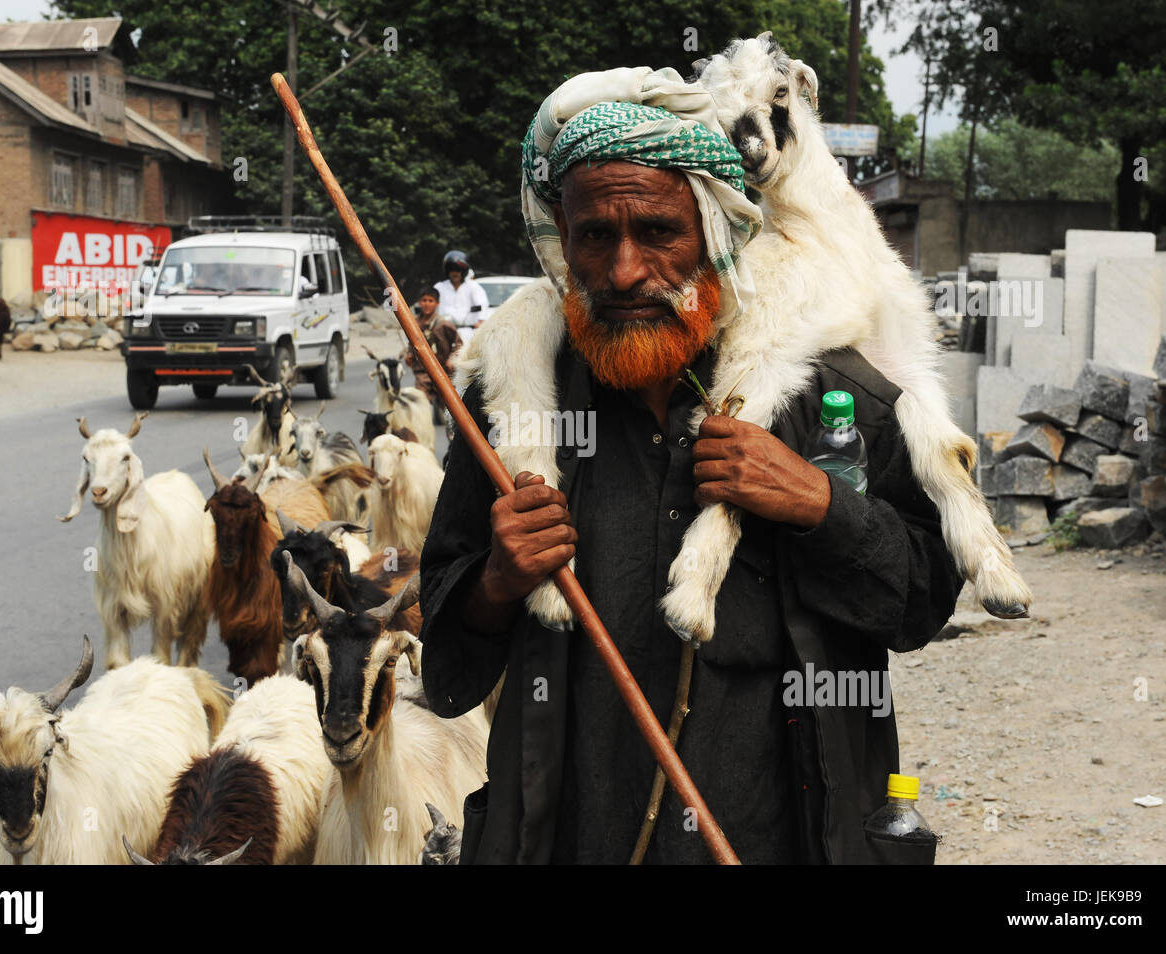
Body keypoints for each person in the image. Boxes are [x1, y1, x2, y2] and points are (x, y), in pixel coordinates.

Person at [417, 68, 963, 865]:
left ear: (718, 229)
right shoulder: (515, 403)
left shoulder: (829, 394)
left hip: (784, 837)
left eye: (658, 232)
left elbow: (921, 605)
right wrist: (498, 582)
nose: (626, 271)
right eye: (594, 236)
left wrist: (821, 504)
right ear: (562, 240)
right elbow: (448, 651)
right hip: (573, 834)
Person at [404, 286, 462, 423]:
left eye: (430, 300)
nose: (427, 304)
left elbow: (459, 343)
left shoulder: (444, 324)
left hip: (442, 370)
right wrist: (409, 355)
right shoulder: (414, 323)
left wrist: (451, 359)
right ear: (419, 302)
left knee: (449, 404)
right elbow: (411, 343)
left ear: (437, 303)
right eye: (424, 300)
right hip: (422, 371)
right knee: (420, 399)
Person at [434, 250, 489, 338]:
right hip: (443, 332)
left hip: (468, 332)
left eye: (458, 270)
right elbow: (431, 306)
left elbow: (482, 306)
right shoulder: (439, 287)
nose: (454, 273)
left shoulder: (473, 286)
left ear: (464, 271)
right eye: (451, 270)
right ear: (447, 271)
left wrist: (480, 322)